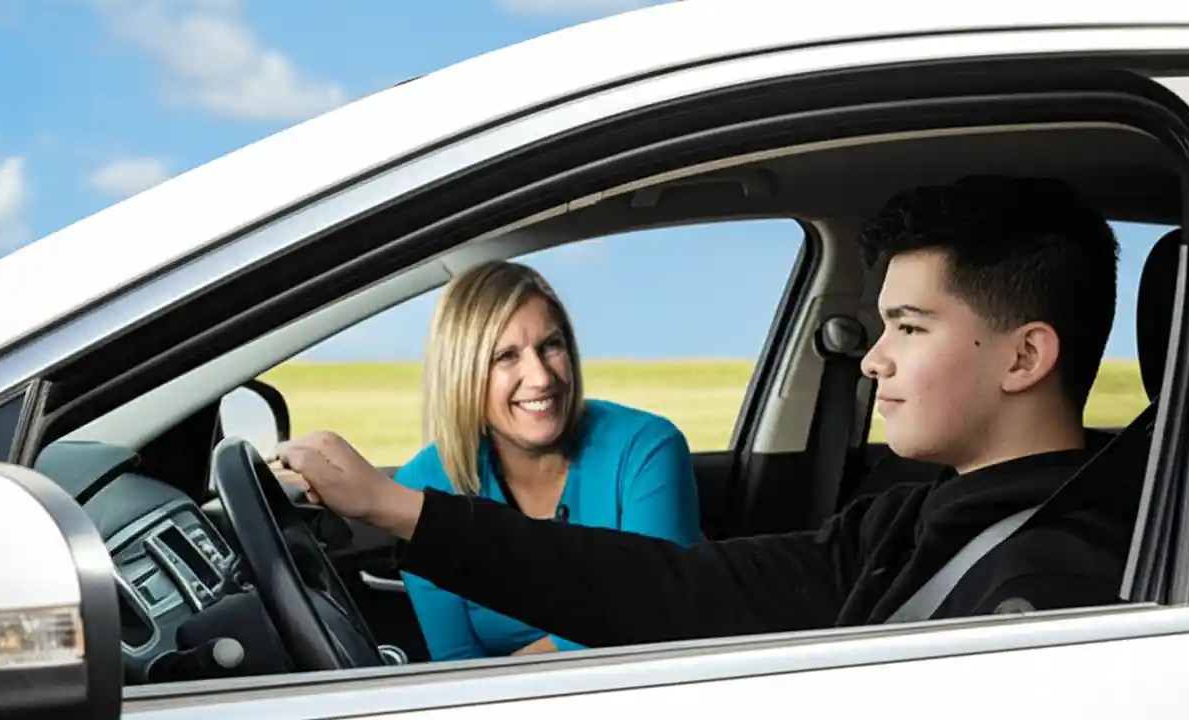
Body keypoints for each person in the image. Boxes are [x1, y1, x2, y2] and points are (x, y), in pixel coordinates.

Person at [277, 175, 1131, 650]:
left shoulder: (1049, 598)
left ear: (1025, 357)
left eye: (909, 327)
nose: (873, 360)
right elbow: (672, 586)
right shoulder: (910, 520)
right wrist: (397, 508)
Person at [386, 260, 701, 661]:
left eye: (551, 346)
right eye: (506, 356)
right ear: (462, 374)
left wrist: (522, 667)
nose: (540, 378)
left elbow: (657, 616)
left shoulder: (646, 449)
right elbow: (456, 664)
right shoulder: (425, 483)